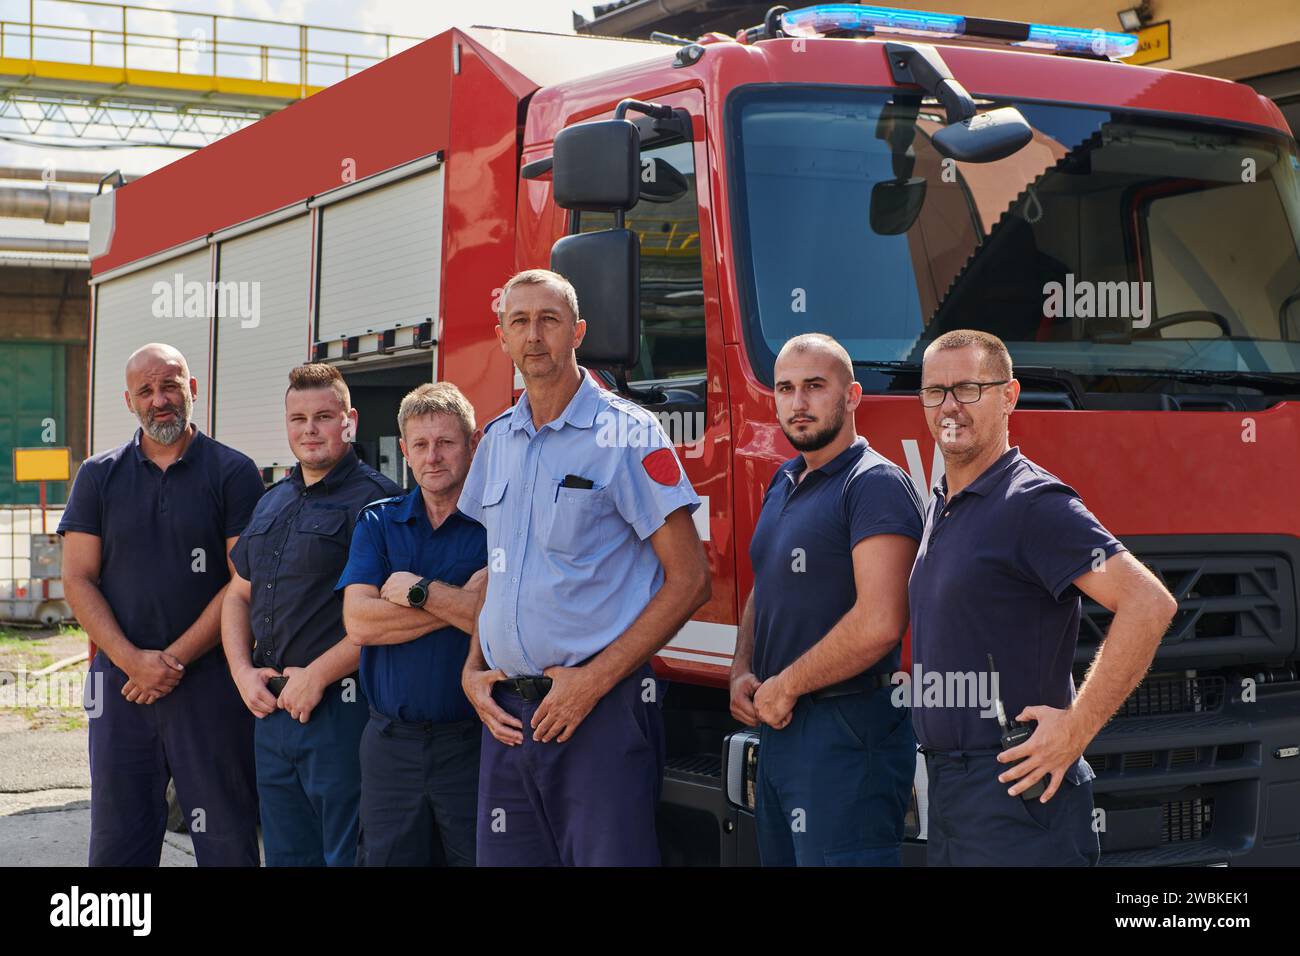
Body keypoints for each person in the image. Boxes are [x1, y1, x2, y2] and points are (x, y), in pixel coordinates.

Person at [458, 268, 710, 867]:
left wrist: (592, 683)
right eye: (519, 321)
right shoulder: (496, 440)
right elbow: (501, 571)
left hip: (597, 717)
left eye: (549, 320)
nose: (534, 335)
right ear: (502, 337)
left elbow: (691, 579)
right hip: (508, 722)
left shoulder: (628, 433)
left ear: (579, 332)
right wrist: (472, 670)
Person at [908, 329, 1177, 866]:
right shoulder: (946, 501)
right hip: (955, 793)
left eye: (968, 388)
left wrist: (1076, 728)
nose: (949, 406)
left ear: (1009, 396)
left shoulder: (1032, 502)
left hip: (1017, 794)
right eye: (935, 391)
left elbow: (1149, 603)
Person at [59, 342, 265, 866]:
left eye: (170, 385)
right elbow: (78, 580)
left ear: (192, 390)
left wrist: (170, 661)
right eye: (146, 390)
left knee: (226, 840)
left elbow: (243, 580)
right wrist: (132, 661)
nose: (160, 399)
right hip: (121, 689)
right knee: (117, 844)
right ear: (128, 401)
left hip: (211, 687)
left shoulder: (234, 473)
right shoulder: (97, 476)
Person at [730, 333, 923, 866]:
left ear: (852, 396)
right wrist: (742, 668)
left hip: (846, 732)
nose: (798, 403)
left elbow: (882, 621)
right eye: (785, 388)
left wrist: (786, 684)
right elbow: (765, 582)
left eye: (815, 387)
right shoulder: (784, 479)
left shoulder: (876, 484)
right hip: (779, 728)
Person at [222, 363, 400, 866]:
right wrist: (241, 673)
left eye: (324, 416)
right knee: (285, 856)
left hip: (343, 713)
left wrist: (319, 675)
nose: (310, 429)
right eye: (298, 418)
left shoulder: (379, 502)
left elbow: (390, 616)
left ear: (351, 421)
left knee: (348, 856)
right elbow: (237, 594)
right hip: (272, 715)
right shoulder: (272, 501)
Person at [337, 382, 487, 866]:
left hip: (474, 744)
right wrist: (461, 604)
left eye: (445, 442)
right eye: (420, 445)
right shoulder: (378, 523)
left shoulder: (498, 527)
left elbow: (500, 621)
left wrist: (420, 591)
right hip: (389, 749)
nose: (433, 456)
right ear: (403, 450)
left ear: (473, 443)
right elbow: (359, 623)